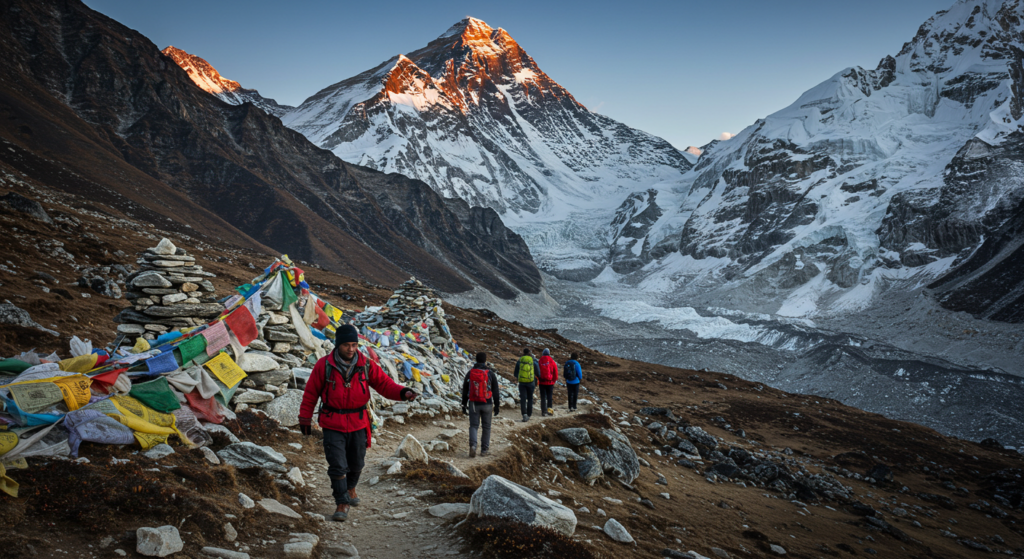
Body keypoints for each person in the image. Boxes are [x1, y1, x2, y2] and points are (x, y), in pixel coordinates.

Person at [298, 324, 418, 522]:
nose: (351, 349)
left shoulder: (366, 364)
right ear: (338, 345)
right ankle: (342, 502)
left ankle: (351, 487)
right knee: (337, 465)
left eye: (354, 344)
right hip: (332, 422)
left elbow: (384, 384)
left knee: (357, 463)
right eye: (347, 345)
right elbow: (311, 393)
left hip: (359, 422)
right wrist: (305, 417)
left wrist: (403, 392)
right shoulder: (324, 365)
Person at [461, 352, 500, 457]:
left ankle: (473, 446)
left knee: (474, 425)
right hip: (487, 403)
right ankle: (484, 450)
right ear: (485, 360)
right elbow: (495, 391)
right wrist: (497, 405)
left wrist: (464, 404)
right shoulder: (490, 374)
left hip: (473, 403)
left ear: (476, 360)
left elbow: (465, 390)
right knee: (486, 426)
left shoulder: (470, 373)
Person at [513, 348, 538, 422]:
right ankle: (529, 414)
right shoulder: (533, 360)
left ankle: (524, 414)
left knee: (523, 398)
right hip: (531, 382)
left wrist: (520, 377)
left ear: (523, 353)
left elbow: (515, 373)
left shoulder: (520, 360)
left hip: (522, 383)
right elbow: (538, 372)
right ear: (530, 352)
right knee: (530, 398)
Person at [537, 348, 558, 417]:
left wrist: (538, 380)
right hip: (550, 382)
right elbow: (555, 372)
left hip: (542, 382)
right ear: (549, 353)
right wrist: (553, 380)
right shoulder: (552, 361)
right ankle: (550, 411)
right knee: (549, 396)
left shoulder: (540, 361)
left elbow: (537, 371)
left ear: (543, 353)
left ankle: (543, 412)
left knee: (543, 397)